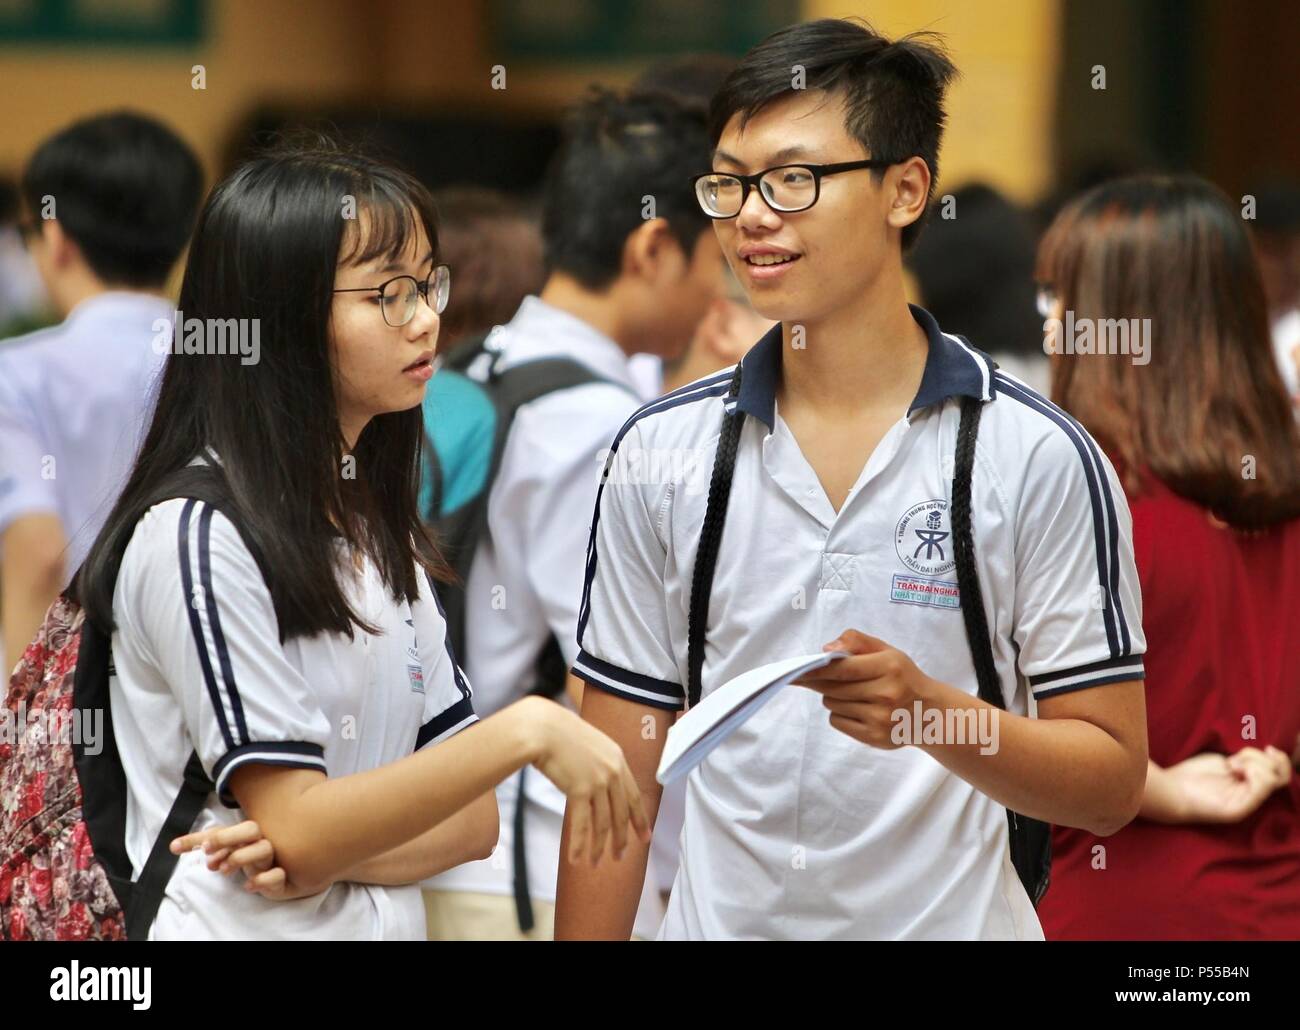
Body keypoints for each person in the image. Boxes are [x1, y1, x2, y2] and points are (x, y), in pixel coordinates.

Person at [555, 17, 1148, 941]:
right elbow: (616, 777)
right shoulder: (660, 450)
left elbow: (1111, 782)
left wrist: (935, 716)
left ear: (906, 189)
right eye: (730, 183)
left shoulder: (1031, 454)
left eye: (794, 180)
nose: (751, 215)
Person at [72, 140, 647, 940]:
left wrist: (323, 848)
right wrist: (526, 731)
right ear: (284, 316)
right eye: (390, 294)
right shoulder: (199, 535)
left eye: (427, 284)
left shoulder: (379, 531)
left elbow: (471, 824)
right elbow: (305, 819)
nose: (428, 318)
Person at [420, 88, 723, 940]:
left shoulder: (479, 361)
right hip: (541, 867)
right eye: (717, 262)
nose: (719, 295)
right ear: (655, 248)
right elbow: (607, 679)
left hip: (453, 833)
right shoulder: (595, 426)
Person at [1033, 175, 1300, 940]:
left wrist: (1154, 788)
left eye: (1061, 299)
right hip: (1272, 896)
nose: (1048, 327)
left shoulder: (1080, 495)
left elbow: (999, 724)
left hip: (1110, 902)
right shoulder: (1280, 491)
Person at [0, 112, 203, 671]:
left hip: (77, 681)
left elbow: (40, 554)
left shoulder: (17, 373)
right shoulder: (223, 359)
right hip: (197, 674)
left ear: (56, 238)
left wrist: (24, 717)